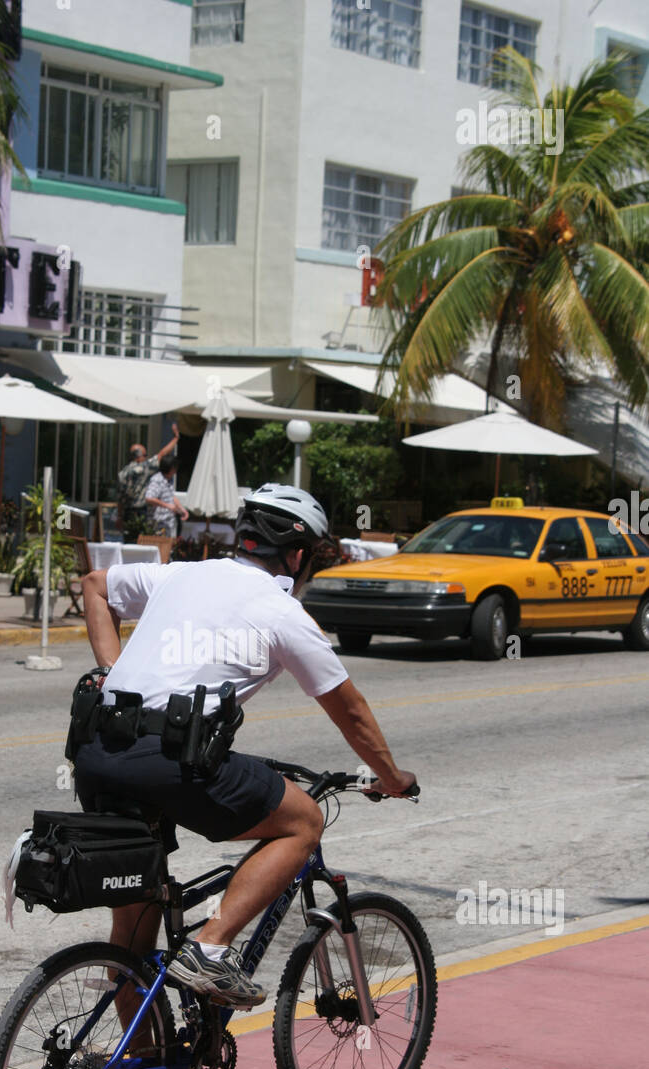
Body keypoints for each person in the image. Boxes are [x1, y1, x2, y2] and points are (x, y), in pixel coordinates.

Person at [74, 483, 417, 1011]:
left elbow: (96, 585)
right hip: (165, 760)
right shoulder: (282, 613)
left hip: (98, 750)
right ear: (299, 555)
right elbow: (350, 711)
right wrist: (391, 777)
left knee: (134, 937)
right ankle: (211, 947)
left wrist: (110, 672)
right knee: (303, 821)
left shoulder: (184, 572)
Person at [116, 425, 180, 544]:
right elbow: (162, 454)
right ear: (139, 456)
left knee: (129, 543)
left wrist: (119, 517)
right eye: (145, 455)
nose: (146, 458)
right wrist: (176, 438)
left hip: (127, 513)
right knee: (142, 543)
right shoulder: (145, 468)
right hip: (142, 512)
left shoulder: (122, 473)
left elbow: (120, 498)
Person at [144, 454, 188, 539]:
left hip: (168, 523)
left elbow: (171, 496)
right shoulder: (157, 480)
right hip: (158, 523)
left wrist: (182, 509)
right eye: (175, 468)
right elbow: (149, 498)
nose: (176, 471)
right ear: (171, 468)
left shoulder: (168, 479)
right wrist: (167, 506)